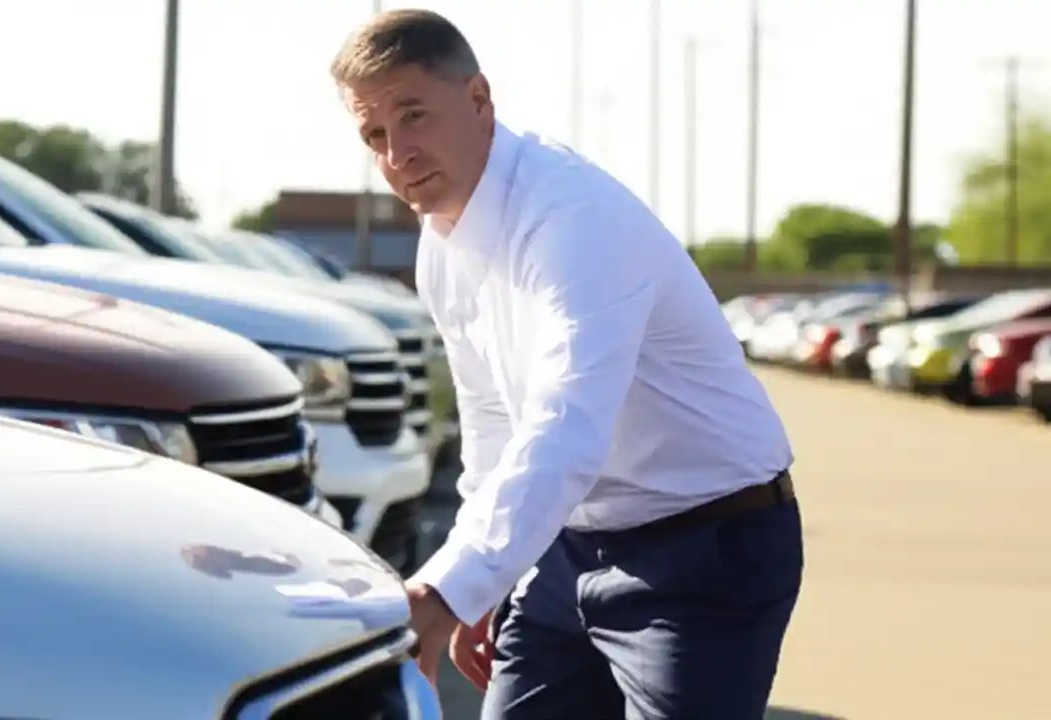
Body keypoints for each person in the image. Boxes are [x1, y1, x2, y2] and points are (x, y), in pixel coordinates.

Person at [329, 9, 803, 719]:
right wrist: (485, 575)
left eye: (414, 116)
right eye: (375, 136)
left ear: (479, 100)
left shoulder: (574, 218)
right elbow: (492, 419)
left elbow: (566, 425)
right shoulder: (442, 247)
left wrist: (451, 587)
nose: (397, 153)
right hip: (567, 550)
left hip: (703, 550)